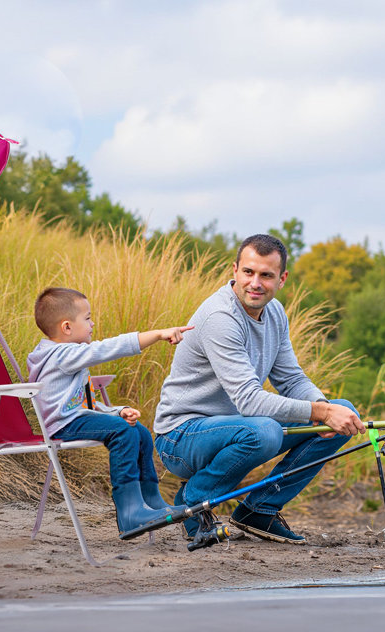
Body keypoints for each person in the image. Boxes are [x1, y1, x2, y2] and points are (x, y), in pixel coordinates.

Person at [154, 233, 365, 543]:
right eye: (248, 272)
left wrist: (326, 409)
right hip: (181, 437)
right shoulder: (220, 317)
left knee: (343, 409)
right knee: (265, 431)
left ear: (282, 279)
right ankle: (193, 502)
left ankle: (259, 508)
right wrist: (321, 412)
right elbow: (249, 401)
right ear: (235, 270)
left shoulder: (275, 313)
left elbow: (291, 380)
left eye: (266, 275)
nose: (255, 283)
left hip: (235, 427)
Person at [27, 286, 192, 537]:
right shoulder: (62, 354)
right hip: (63, 424)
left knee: (139, 432)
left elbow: (83, 404)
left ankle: (150, 499)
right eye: (87, 318)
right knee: (123, 433)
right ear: (67, 327)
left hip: (73, 418)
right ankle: (130, 510)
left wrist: (117, 411)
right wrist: (158, 334)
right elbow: (107, 348)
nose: (92, 324)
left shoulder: (65, 356)